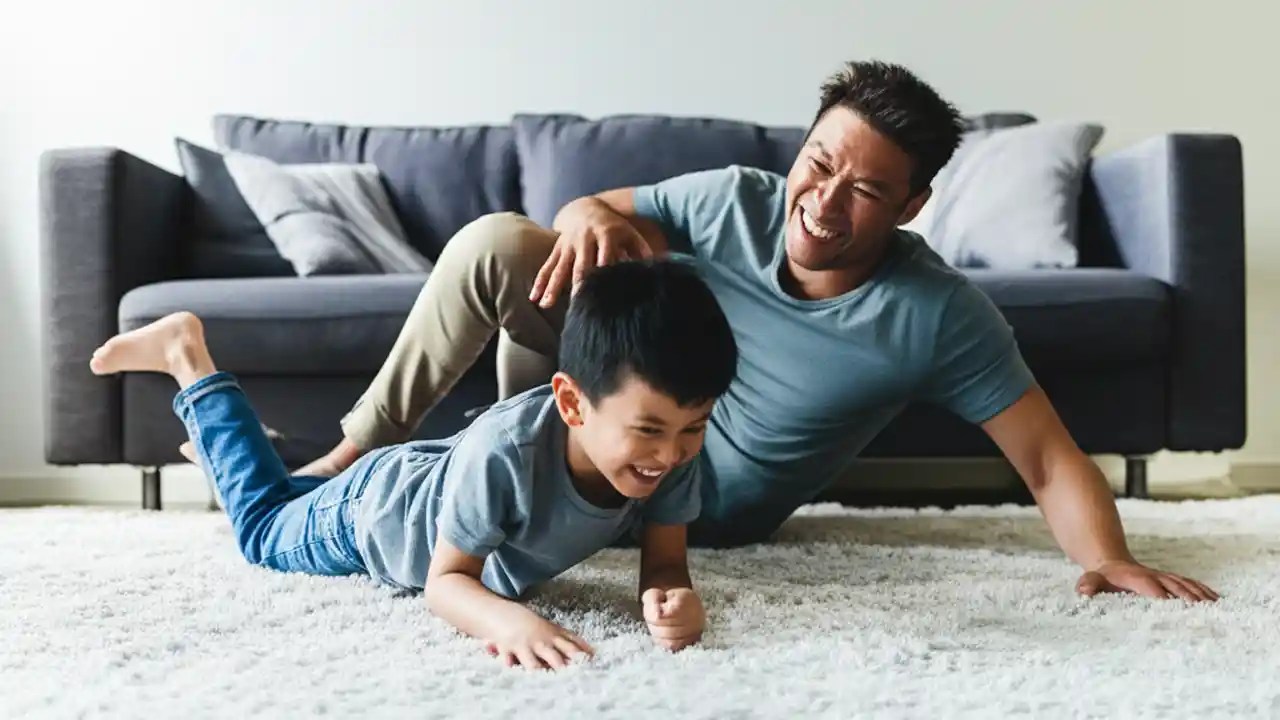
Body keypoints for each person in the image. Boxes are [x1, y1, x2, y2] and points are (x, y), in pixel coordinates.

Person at [296, 60, 1218, 603]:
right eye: (818, 165)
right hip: (583, 435)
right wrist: (592, 219)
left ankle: (472, 478)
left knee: (452, 491)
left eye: (864, 191)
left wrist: (1110, 560)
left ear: (912, 204)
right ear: (803, 145)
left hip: (702, 510)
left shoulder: (939, 314)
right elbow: (585, 213)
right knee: (504, 243)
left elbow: (1049, 458)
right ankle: (349, 456)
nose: (822, 204)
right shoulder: (731, 198)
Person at [89, 260, 740, 669]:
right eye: (649, 430)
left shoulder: (671, 450)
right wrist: (509, 619)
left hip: (430, 478)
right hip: (371, 515)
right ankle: (187, 358)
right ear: (571, 402)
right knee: (261, 530)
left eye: (694, 426)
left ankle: (247, 448)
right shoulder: (508, 454)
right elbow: (446, 583)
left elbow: (664, 561)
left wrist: (675, 598)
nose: (673, 452)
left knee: (278, 491)